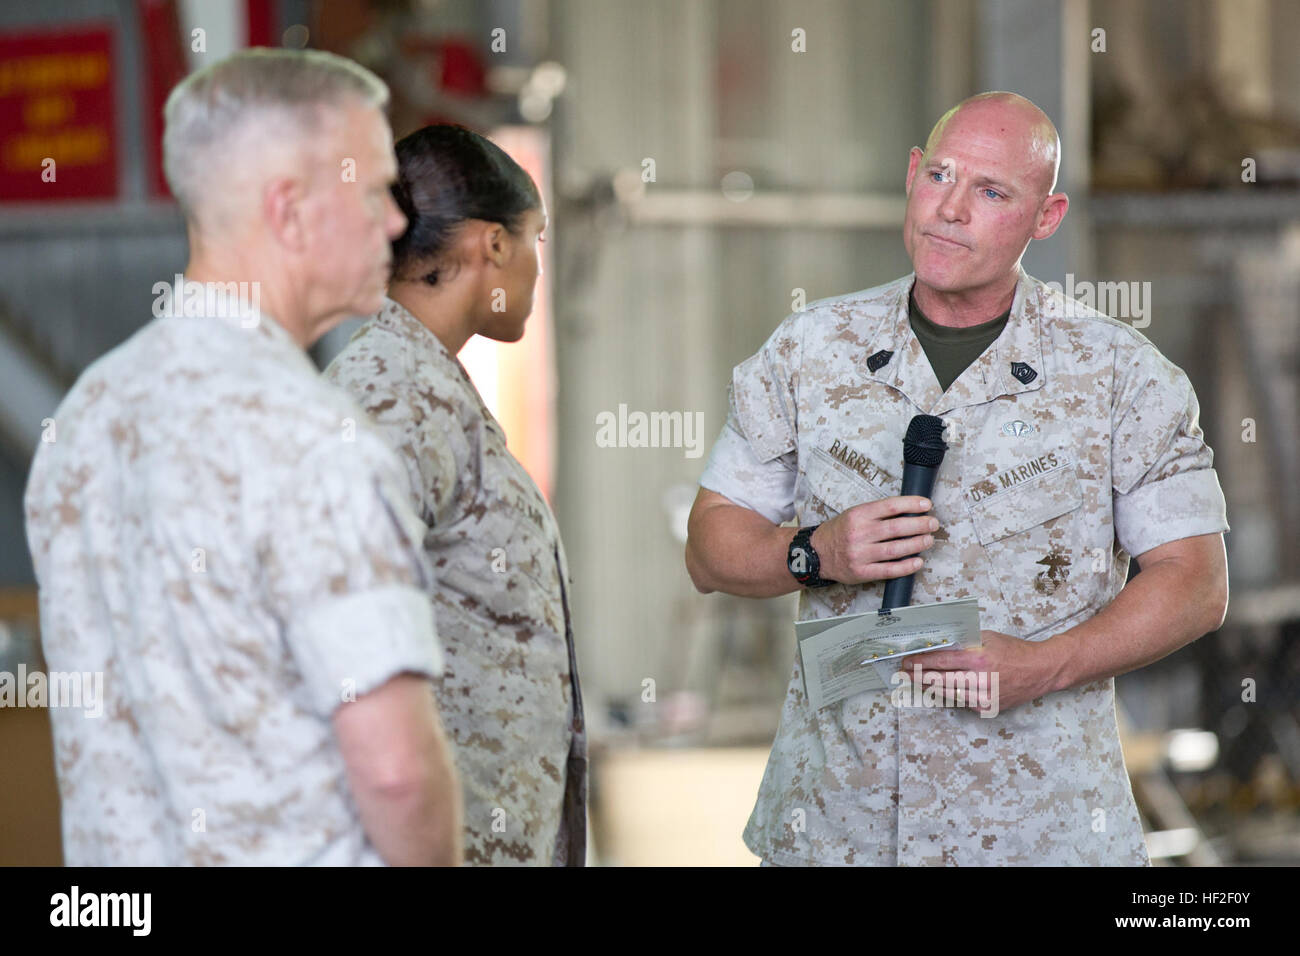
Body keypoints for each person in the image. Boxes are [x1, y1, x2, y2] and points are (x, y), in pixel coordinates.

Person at [685, 91, 1229, 866]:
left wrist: (1044, 665)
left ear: (1046, 217)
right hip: (835, 826)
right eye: (940, 175)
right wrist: (813, 552)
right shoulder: (808, 352)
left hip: (1035, 833)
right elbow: (710, 550)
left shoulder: (1120, 376)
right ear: (911, 174)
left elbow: (1196, 581)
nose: (950, 209)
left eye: (992, 191)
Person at [24, 49, 462, 866]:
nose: (396, 222)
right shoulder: (310, 438)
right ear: (289, 211)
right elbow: (396, 771)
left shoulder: (88, 413)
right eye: (373, 190)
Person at [323, 124, 587, 866]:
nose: (539, 267)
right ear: (491, 246)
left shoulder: (425, 386)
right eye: (535, 237)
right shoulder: (394, 398)